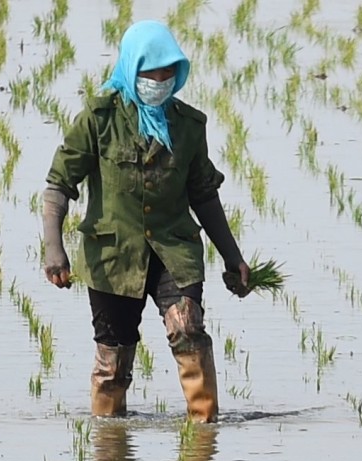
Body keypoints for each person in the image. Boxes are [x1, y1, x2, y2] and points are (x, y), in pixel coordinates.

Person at [40, 20, 251, 423]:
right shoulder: (98, 120)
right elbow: (58, 186)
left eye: (168, 71)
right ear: (132, 69)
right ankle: (108, 448)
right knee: (113, 358)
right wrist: (55, 250)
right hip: (113, 255)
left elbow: (204, 194)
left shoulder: (187, 126)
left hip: (174, 249)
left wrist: (232, 257)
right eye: (151, 72)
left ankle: (204, 438)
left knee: (187, 329)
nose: (160, 80)